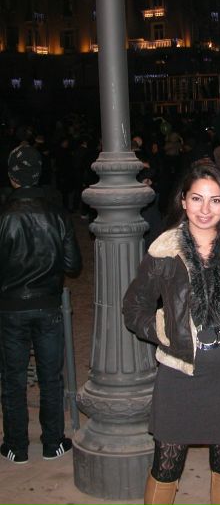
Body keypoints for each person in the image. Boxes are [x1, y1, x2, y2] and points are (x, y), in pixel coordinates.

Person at [123, 162, 220, 505]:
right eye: (197, 198)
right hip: (180, 374)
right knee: (166, 466)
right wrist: (161, 329)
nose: (205, 209)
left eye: (215, 200)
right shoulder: (164, 250)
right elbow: (134, 306)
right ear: (183, 201)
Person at [0, 144, 82, 464]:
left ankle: (16, 446)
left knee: (13, 377)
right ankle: (52, 442)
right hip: (48, 305)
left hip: (10, 307)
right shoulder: (55, 213)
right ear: (39, 174)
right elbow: (73, 264)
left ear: (12, 176)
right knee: (50, 376)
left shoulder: (4, 215)